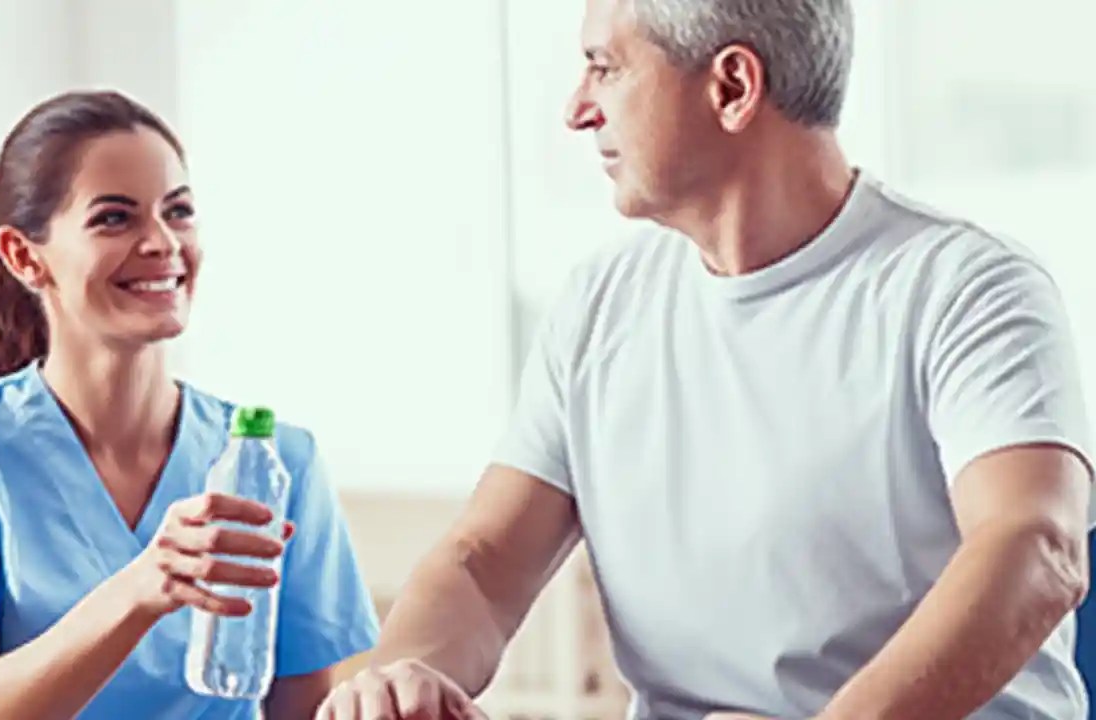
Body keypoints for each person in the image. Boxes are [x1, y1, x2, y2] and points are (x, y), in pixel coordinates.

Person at [318, 0, 1095, 718]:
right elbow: (486, 564)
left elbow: (1035, 545)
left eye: (606, 67)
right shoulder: (600, 304)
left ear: (731, 86)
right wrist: (398, 679)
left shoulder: (969, 288)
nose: (577, 109)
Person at [0, 90, 379, 719]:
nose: (162, 242)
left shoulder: (280, 462)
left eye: (179, 211)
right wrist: (143, 588)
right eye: (115, 218)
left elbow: (303, 712)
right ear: (23, 255)